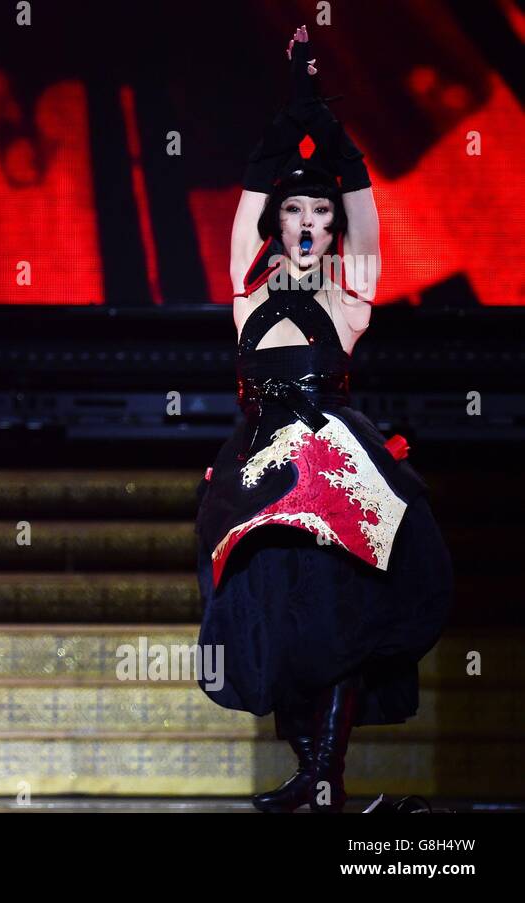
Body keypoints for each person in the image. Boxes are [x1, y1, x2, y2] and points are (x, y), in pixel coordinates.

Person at [194, 26, 453, 813]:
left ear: (332, 227)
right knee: (270, 617)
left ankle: (326, 779)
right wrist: (292, 109)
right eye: (294, 210)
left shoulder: (349, 296)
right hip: (261, 472)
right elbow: (248, 202)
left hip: (331, 470)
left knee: (336, 621)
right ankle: (309, 770)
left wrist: (330, 130)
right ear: (278, 225)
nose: (308, 220)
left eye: (320, 212)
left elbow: (364, 213)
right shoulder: (247, 293)